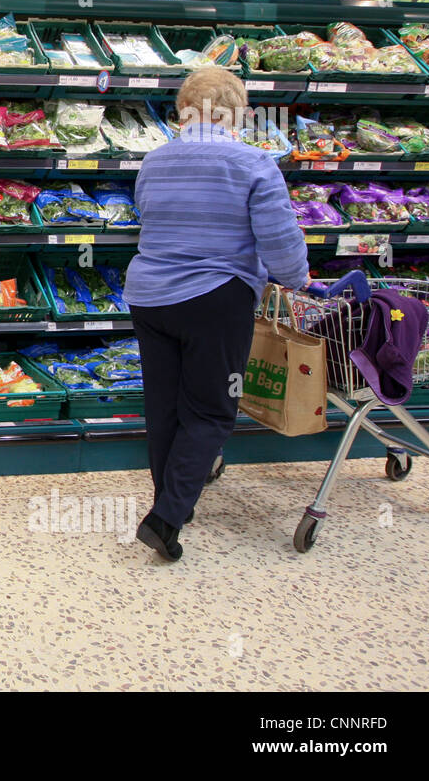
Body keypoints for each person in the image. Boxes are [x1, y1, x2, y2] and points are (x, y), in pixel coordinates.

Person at [123, 66, 310, 562]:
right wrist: (297, 279)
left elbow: (149, 215)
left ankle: (173, 503)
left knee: (164, 407)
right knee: (209, 409)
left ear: (184, 110)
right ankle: (166, 518)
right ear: (239, 114)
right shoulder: (255, 164)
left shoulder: (154, 161)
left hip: (150, 296)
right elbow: (280, 242)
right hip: (215, 299)